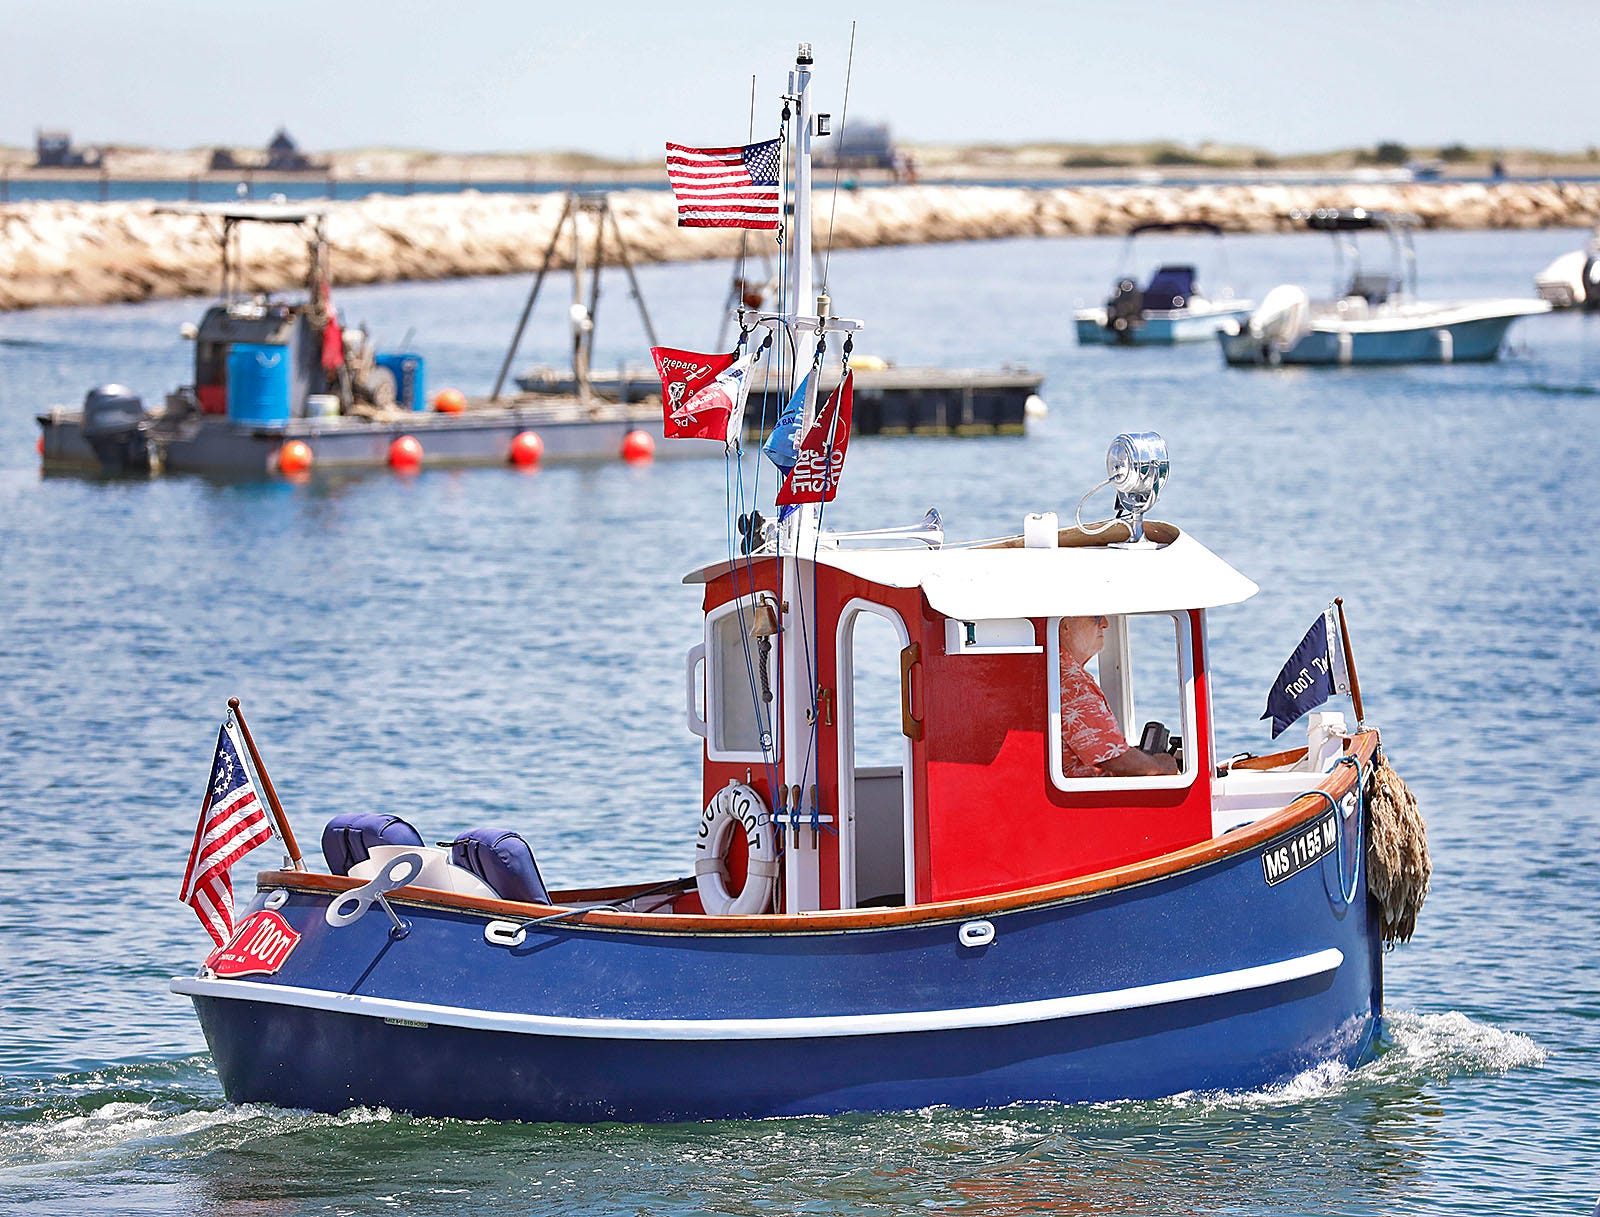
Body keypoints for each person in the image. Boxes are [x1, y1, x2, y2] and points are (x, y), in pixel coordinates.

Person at [1059, 615, 1179, 778]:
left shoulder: (1057, 672)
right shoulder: (1073, 684)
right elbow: (1114, 759)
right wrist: (1161, 765)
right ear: (1065, 626)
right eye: (1095, 617)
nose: (1105, 624)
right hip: (1086, 800)